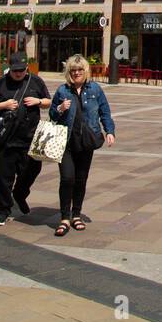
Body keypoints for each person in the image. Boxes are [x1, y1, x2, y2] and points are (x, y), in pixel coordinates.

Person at [50, 54, 116, 238]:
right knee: (67, 178)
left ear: (85, 71)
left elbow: (105, 111)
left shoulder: (95, 89)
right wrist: (60, 109)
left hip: (86, 141)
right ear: (68, 72)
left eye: (80, 70)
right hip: (66, 142)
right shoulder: (63, 91)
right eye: (73, 70)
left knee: (80, 179)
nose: (77, 73)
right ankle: (64, 217)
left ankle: (76, 215)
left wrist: (109, 131)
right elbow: (52, 115)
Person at [0, 51, 51, 225]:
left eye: (21, 70)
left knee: (32, 170)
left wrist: (38, 101)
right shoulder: (1, 83)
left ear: (27, 68)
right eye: (15, 70)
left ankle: (20, 194)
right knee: (2, 176)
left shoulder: (35, 81)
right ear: (9, 68)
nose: (18, 73)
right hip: (6, 139)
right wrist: (3, 105)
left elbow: (48, 101)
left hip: (30, 139)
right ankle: (4, 208)